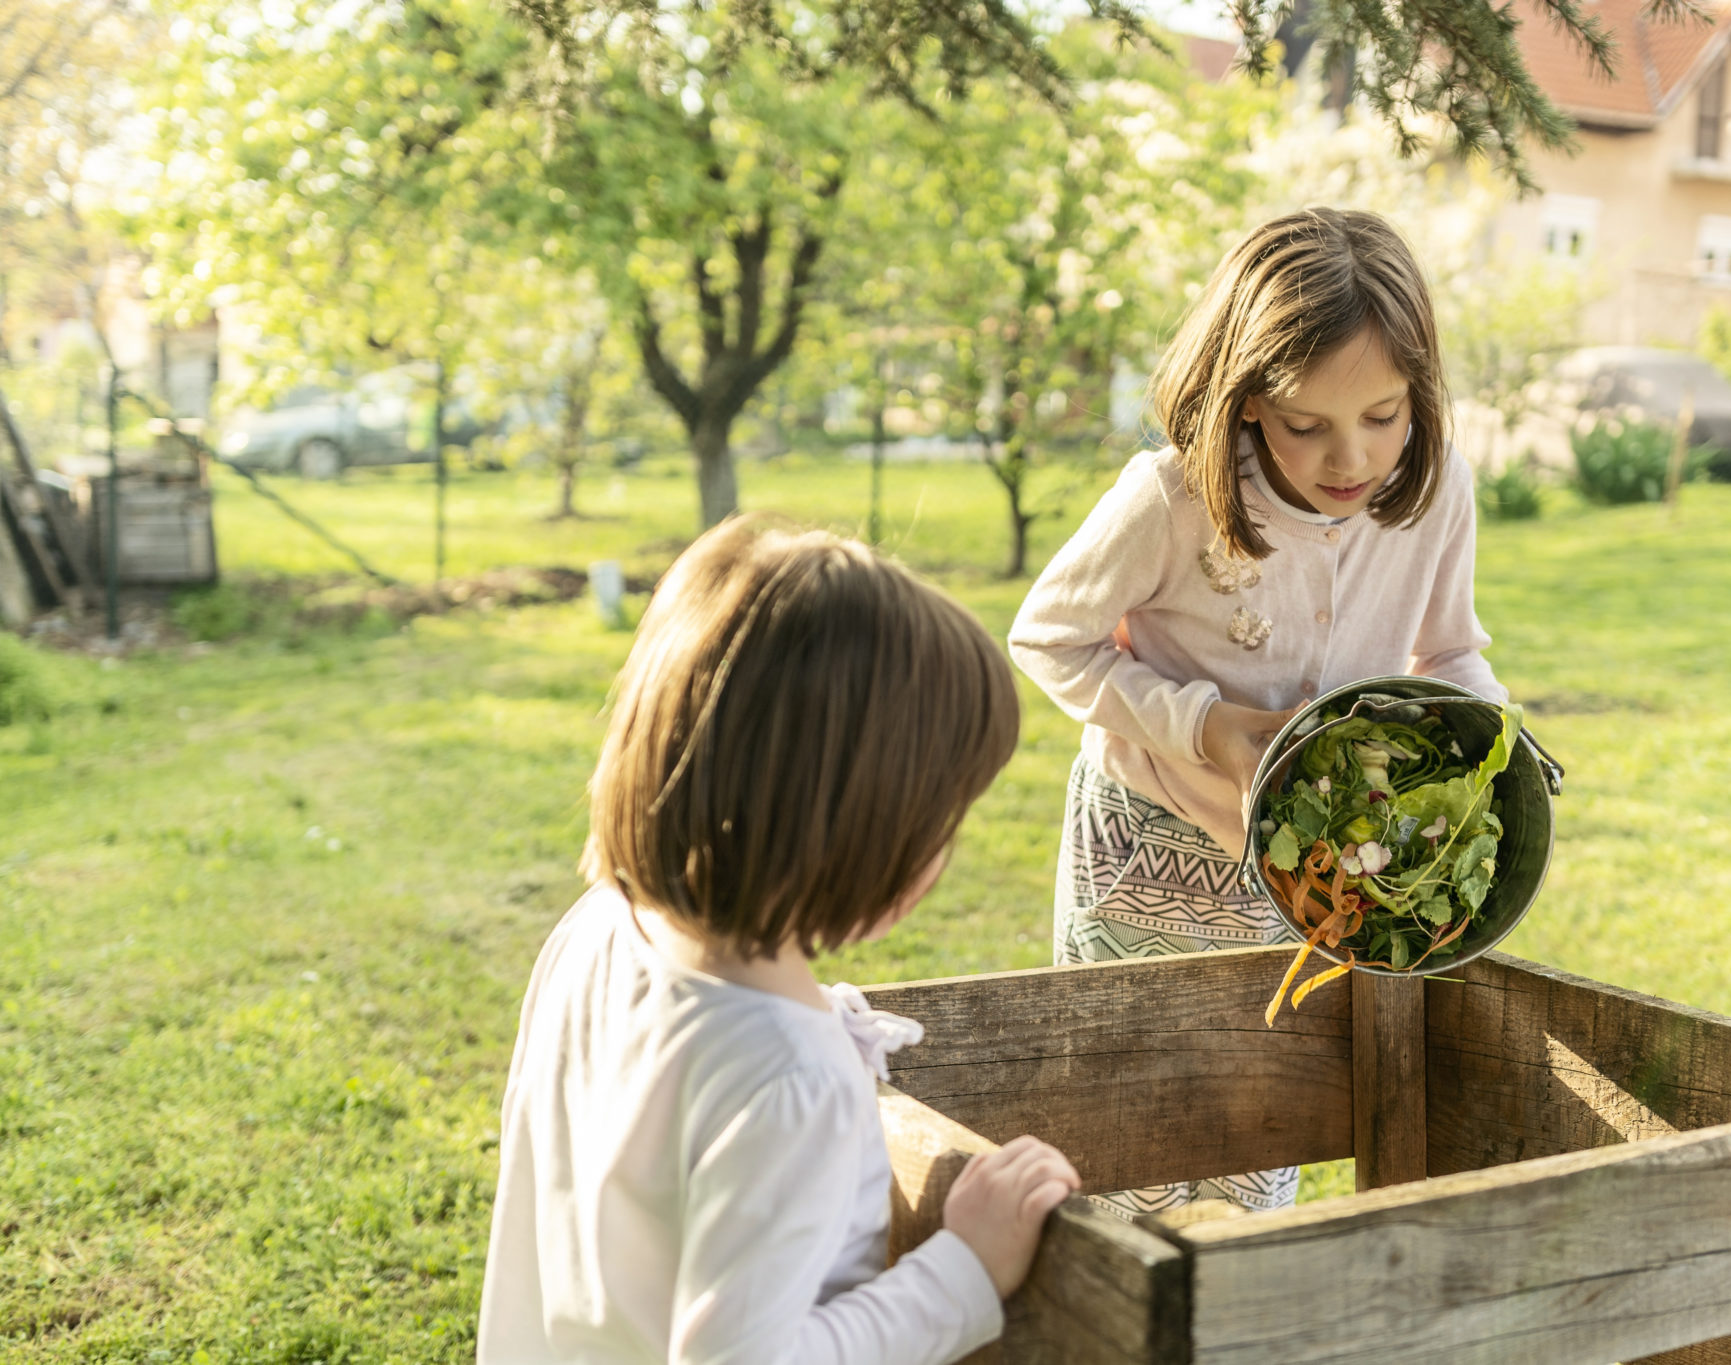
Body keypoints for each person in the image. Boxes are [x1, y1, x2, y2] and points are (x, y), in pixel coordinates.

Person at [1008, 207, 1509, 1219]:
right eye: (1304, 424)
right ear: (1242, 403)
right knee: (1124, 1147)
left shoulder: (1435, 491)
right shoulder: (1171, 497)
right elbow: (1047, 639)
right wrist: (1204, 724)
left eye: (1382, 415)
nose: (1350, 457)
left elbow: (1447, 650)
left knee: (1257, 1135)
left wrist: (1489, 745)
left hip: (1313, 870)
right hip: (1143, 845)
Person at [479, 519, 1079, 1363]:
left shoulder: (600, 928)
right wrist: (966, 1269)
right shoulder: (794, 1079)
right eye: (941, 819)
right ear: (856, 827)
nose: (947, 848)